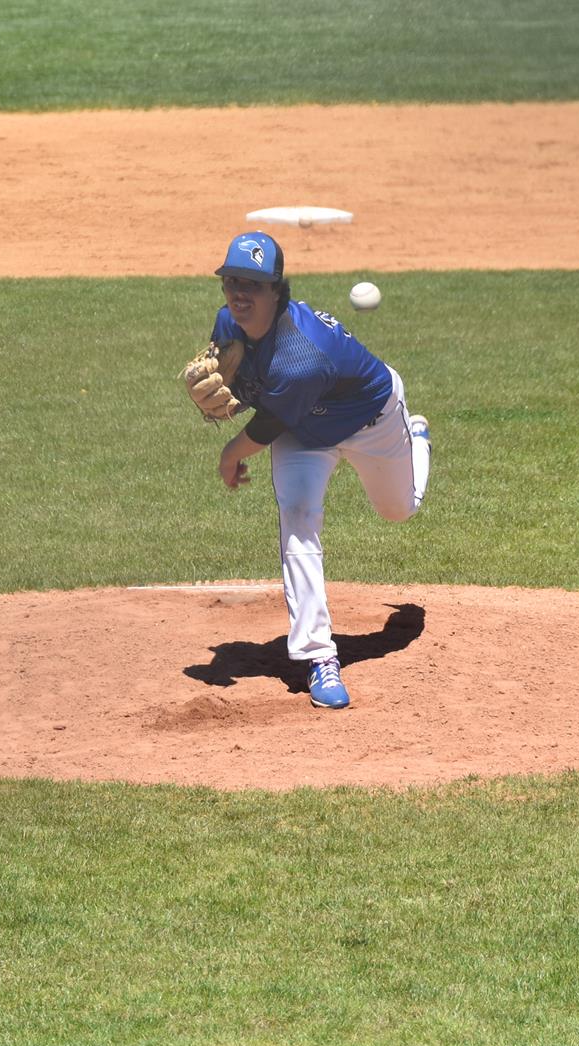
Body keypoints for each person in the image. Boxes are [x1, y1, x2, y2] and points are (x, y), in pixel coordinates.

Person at [204, 231, 432, 709]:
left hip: (373, 422)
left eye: (252, 284)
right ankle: (319, 657)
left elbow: (266, 423)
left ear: (276, 291)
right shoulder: (228, 323)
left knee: (399, 510)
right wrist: (215, 401)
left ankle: (419, 438)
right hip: (305, 432)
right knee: (299, 517)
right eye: (231, 282)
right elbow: (248, 391)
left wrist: (230, 453)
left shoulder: (302, 355)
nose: (239, 295)